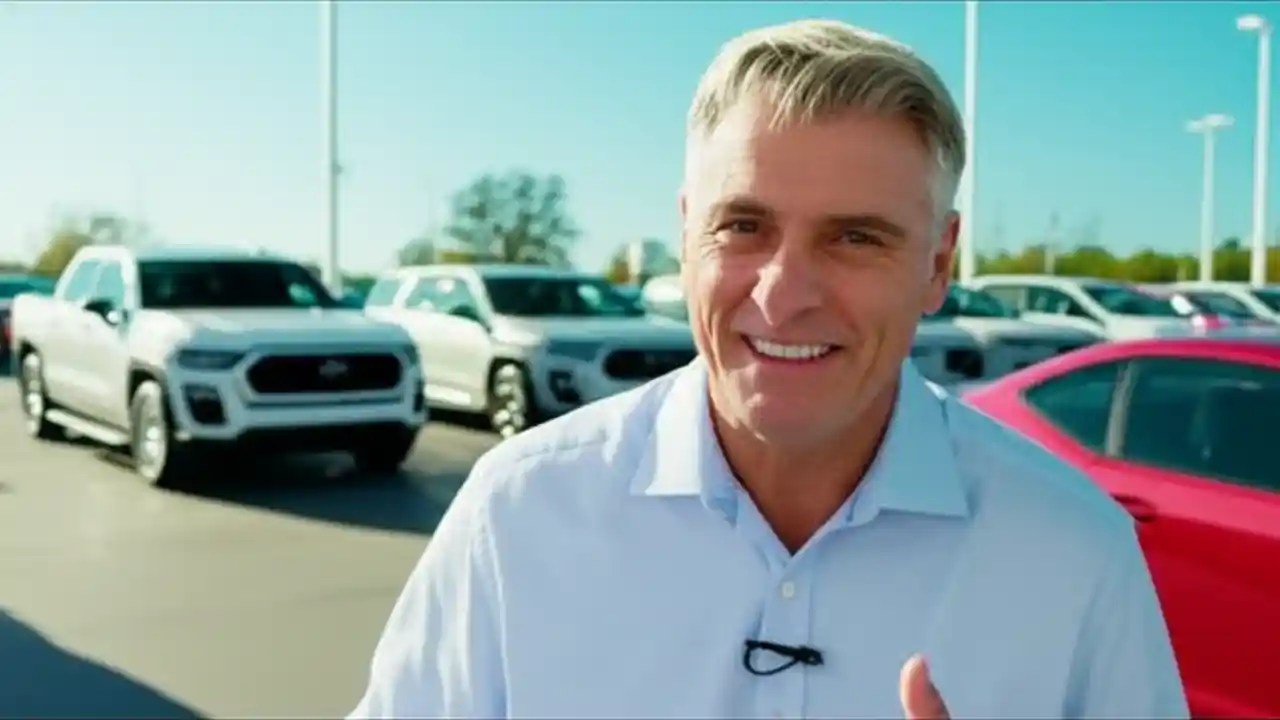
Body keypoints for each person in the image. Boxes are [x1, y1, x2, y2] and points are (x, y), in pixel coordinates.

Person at [350, 18, 1188, 720]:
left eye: (855, 237)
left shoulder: (1072, 554)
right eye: (743, 226)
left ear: (938, 264)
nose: (784, 296)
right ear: (686, 236)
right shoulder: (522, 515)